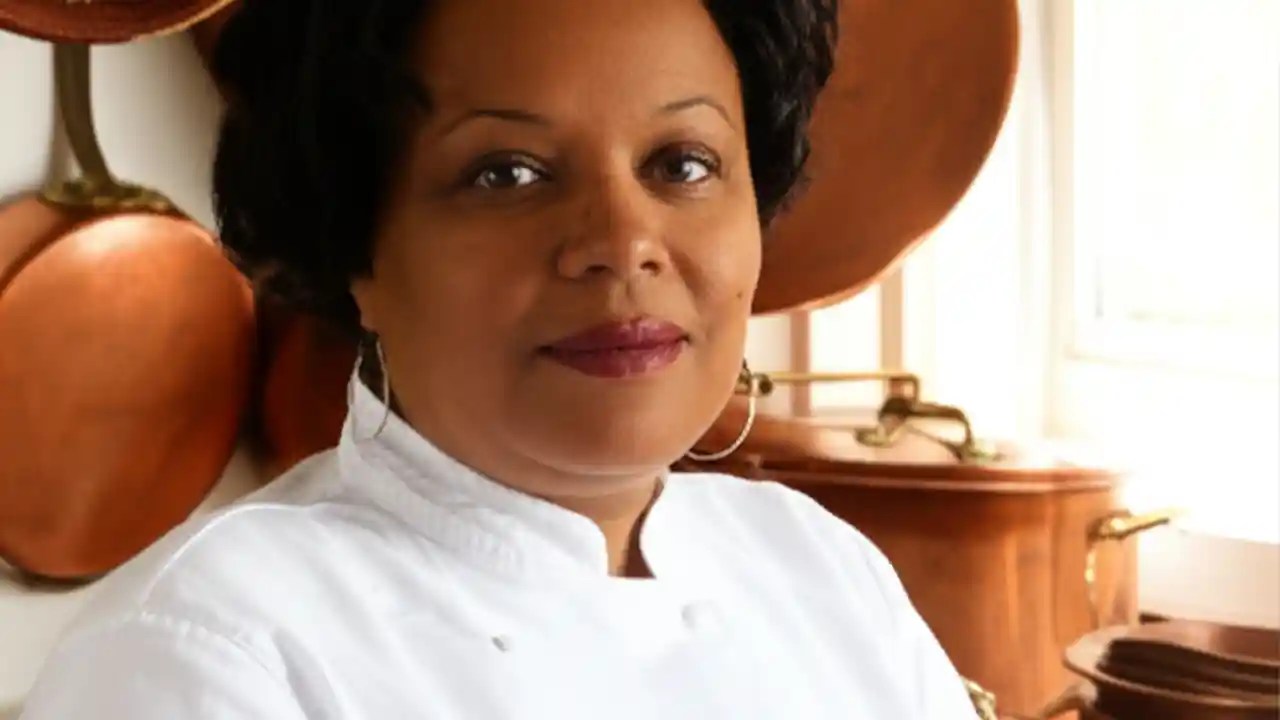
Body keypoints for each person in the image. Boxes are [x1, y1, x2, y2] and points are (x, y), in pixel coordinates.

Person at [19, 0, 977, 717]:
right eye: (506, 174)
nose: (620, 239)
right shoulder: (205, 656)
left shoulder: (819, 570)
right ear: (359, 249)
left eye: (681, 163)